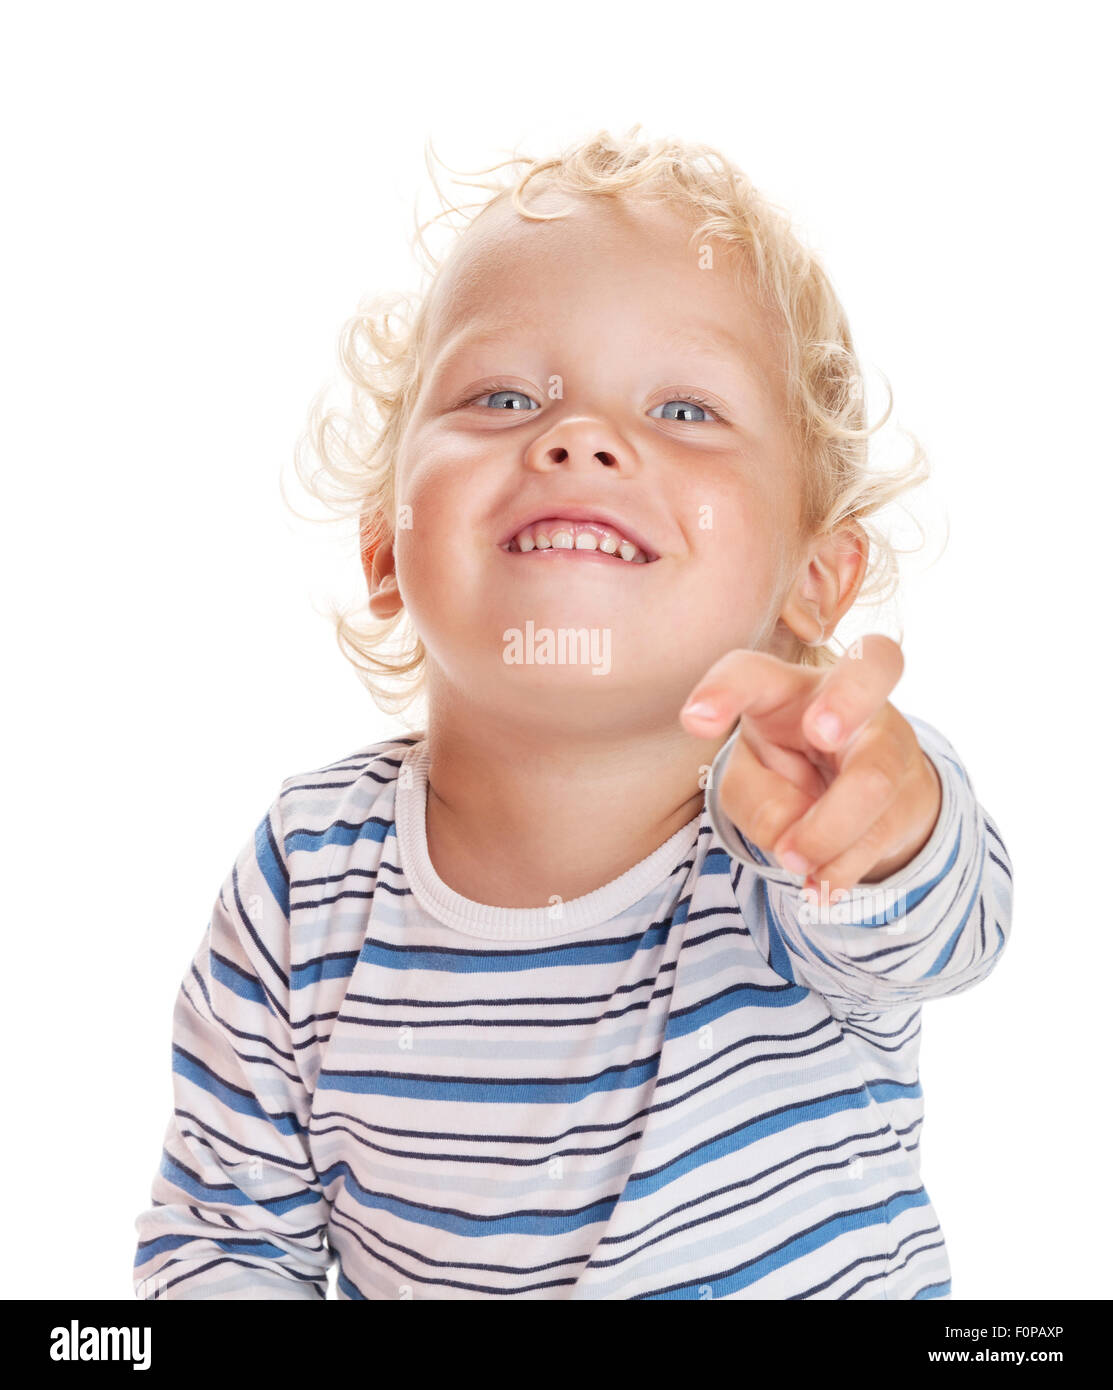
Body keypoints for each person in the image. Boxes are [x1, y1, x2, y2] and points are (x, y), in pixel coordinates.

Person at [133, 128, 1012, 1300]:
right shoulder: (305, 881)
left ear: (818, 576)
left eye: (687, 409)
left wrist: (884, 826)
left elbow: (936, 929)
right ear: (383, 545)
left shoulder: (790, 833)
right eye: (502, 395)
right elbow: (223, 1245)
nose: (580, 435)